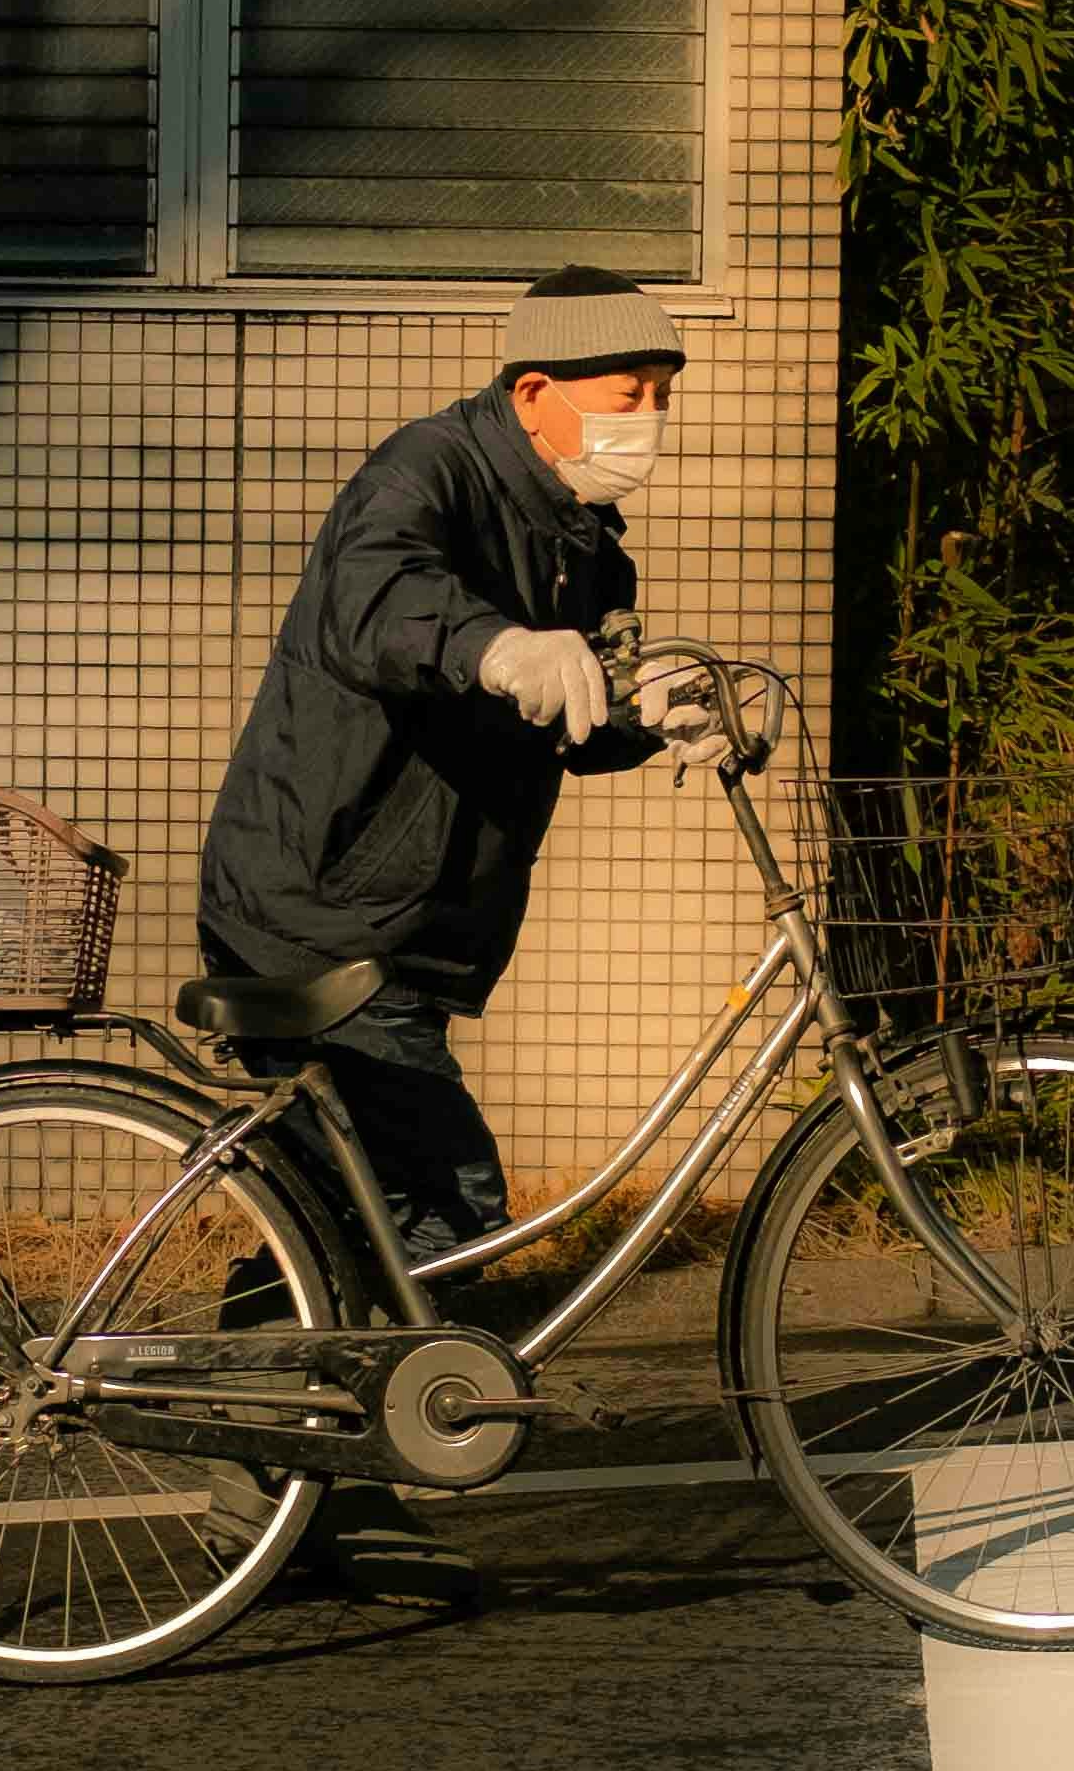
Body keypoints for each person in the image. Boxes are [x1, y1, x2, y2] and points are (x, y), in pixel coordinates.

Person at [194, 264, 716, 1297]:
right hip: (317, 905)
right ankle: (301, 1399)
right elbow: (376, 598)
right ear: (534, 393)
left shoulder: (587, 546)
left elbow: (572, 717)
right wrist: (496, 644)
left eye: (663, 392)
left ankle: (286, 1405)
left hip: (411, 922)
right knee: (446, 1204)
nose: (650, 417)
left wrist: (649, 711)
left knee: (355, 1216)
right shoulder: (425, 470)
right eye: (628, 392)